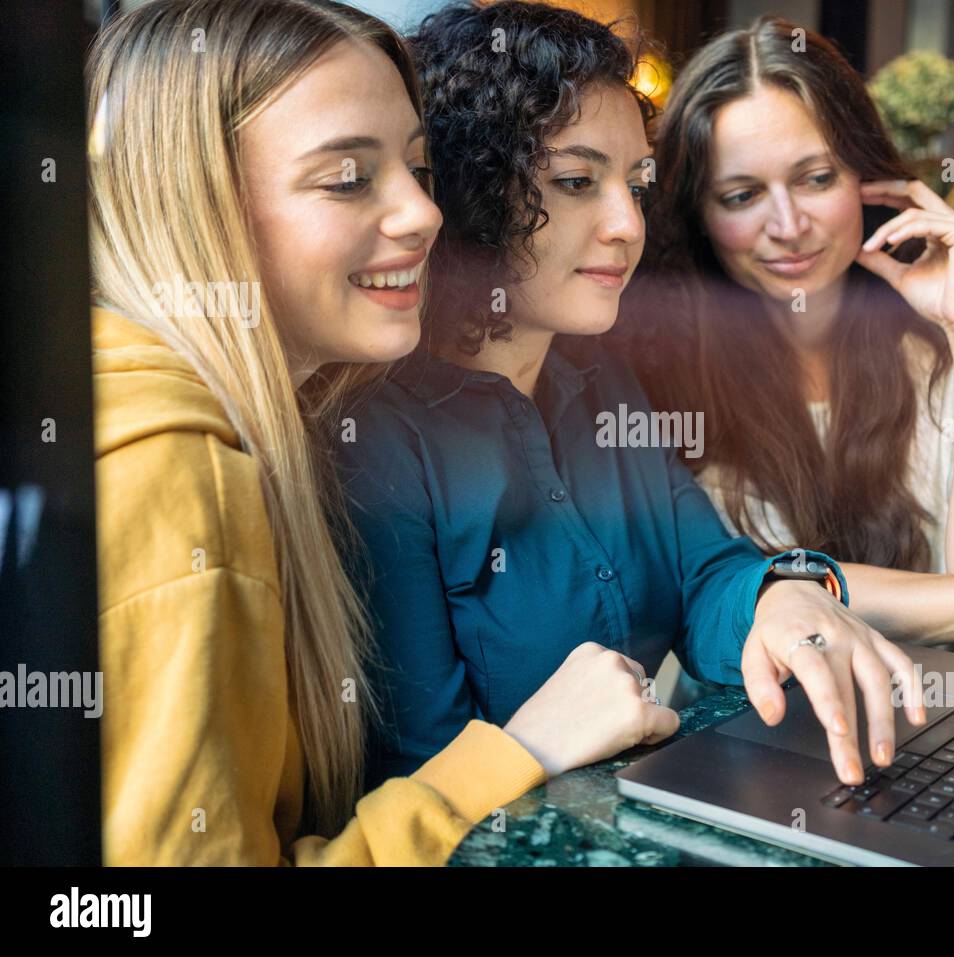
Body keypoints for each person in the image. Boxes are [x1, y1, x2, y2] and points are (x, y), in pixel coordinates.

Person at [88, 0, 668, 865]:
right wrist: (523, 749)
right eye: (350, 177)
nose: (423, 215)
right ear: (190, 197)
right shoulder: (174, 468)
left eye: (419, 169)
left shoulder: (280, 418)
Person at [334, 0, 930, 792]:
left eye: (637, 182)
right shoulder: (377, 440)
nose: (627, 223)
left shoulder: (597, 375)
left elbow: (706, 571)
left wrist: (777, 601)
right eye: (578, 181)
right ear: (472, 191)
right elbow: (415, 777)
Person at [617, 16, 954, 579]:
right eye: (741, 195)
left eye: (816, 179)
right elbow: (731, 603)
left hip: (953, 671)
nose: (787, 225)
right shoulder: (659, 364)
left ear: (865, 178)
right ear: (699, 217)